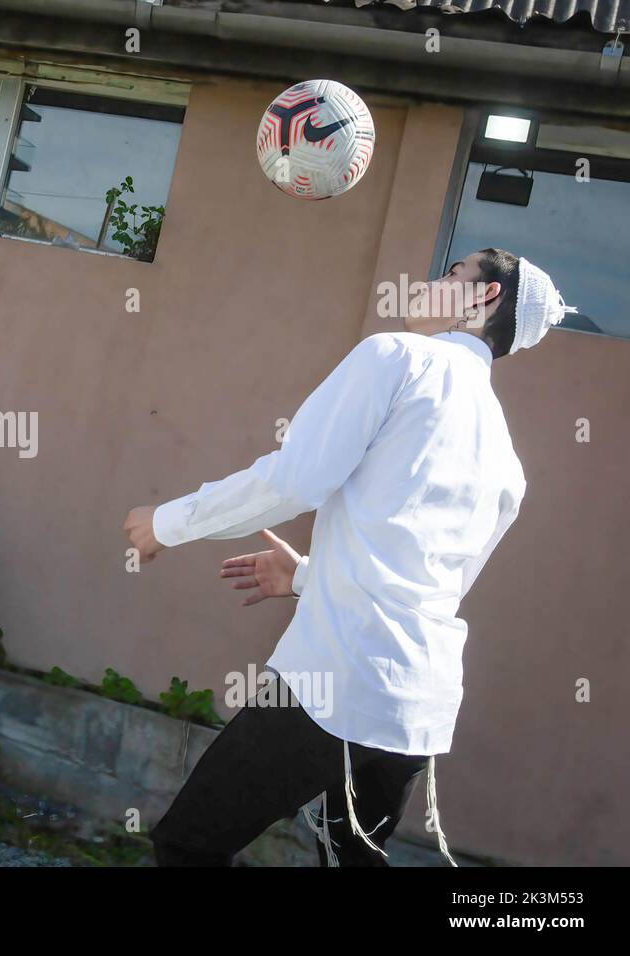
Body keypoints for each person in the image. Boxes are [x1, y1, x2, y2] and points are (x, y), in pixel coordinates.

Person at [123, 249, 576, 866]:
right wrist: (307, 576)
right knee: (349, 864)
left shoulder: (396, 357)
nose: (429, 281)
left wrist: (166, 523)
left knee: (189, 844)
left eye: (452, 273)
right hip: (420, 703)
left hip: (339, 679)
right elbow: (431, 582)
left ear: (486, 297)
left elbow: (294, 481)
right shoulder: (505, 456)